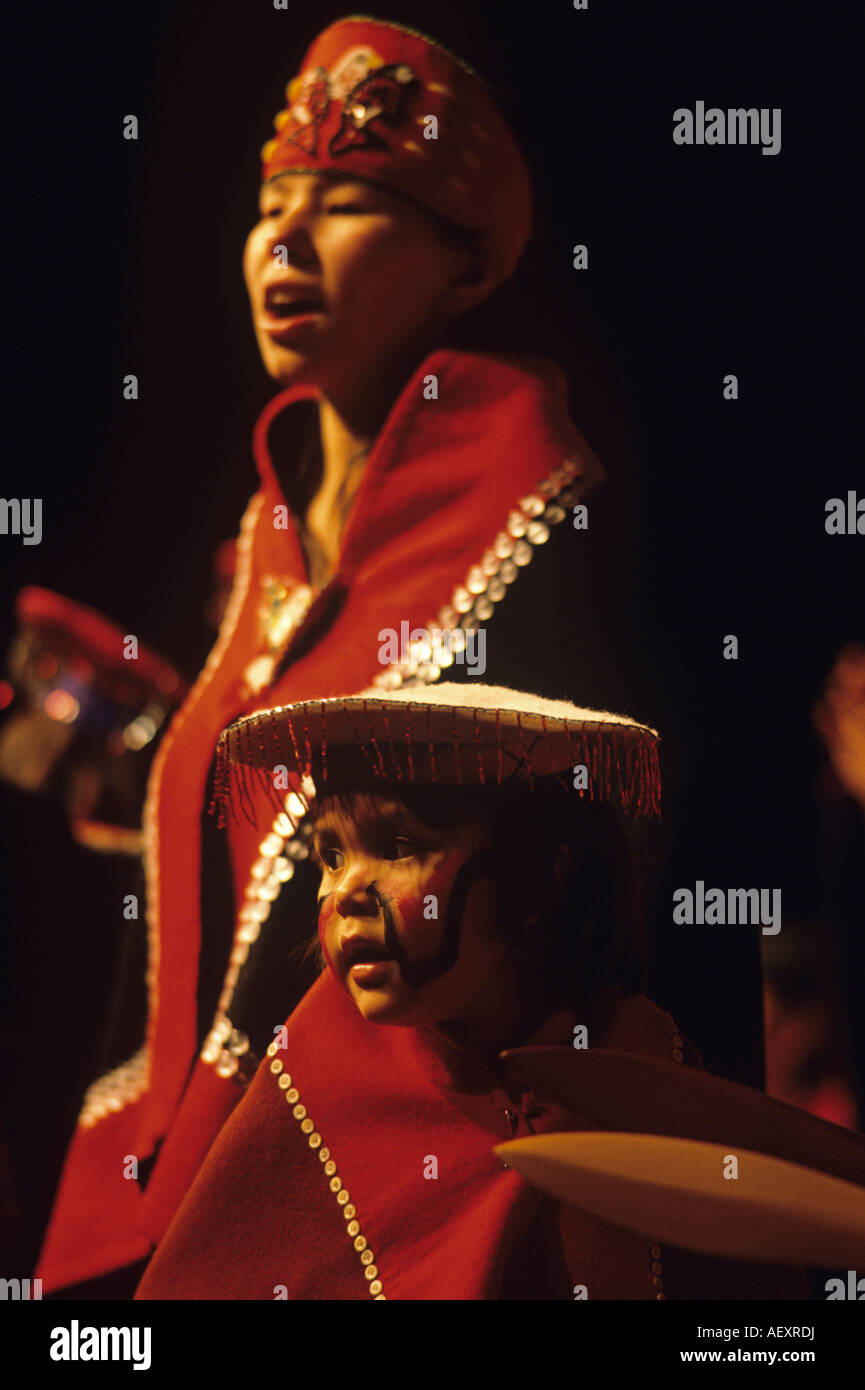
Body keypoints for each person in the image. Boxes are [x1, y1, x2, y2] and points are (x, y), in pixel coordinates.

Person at [36, 15, 607, 1295]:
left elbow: (553, 900)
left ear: (463, 270)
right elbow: (254, 866)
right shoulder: (268, 530)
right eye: (271, 205)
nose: (284, 244)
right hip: (183, 1145)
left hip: (382, 1191)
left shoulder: (533, 513)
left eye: (346, 207)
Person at [134, 683, 806, 1300]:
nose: (344, 893)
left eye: (398, 846)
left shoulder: (644, 1071)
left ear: (539, 880)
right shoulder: (314, 1081)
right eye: (330, 856)